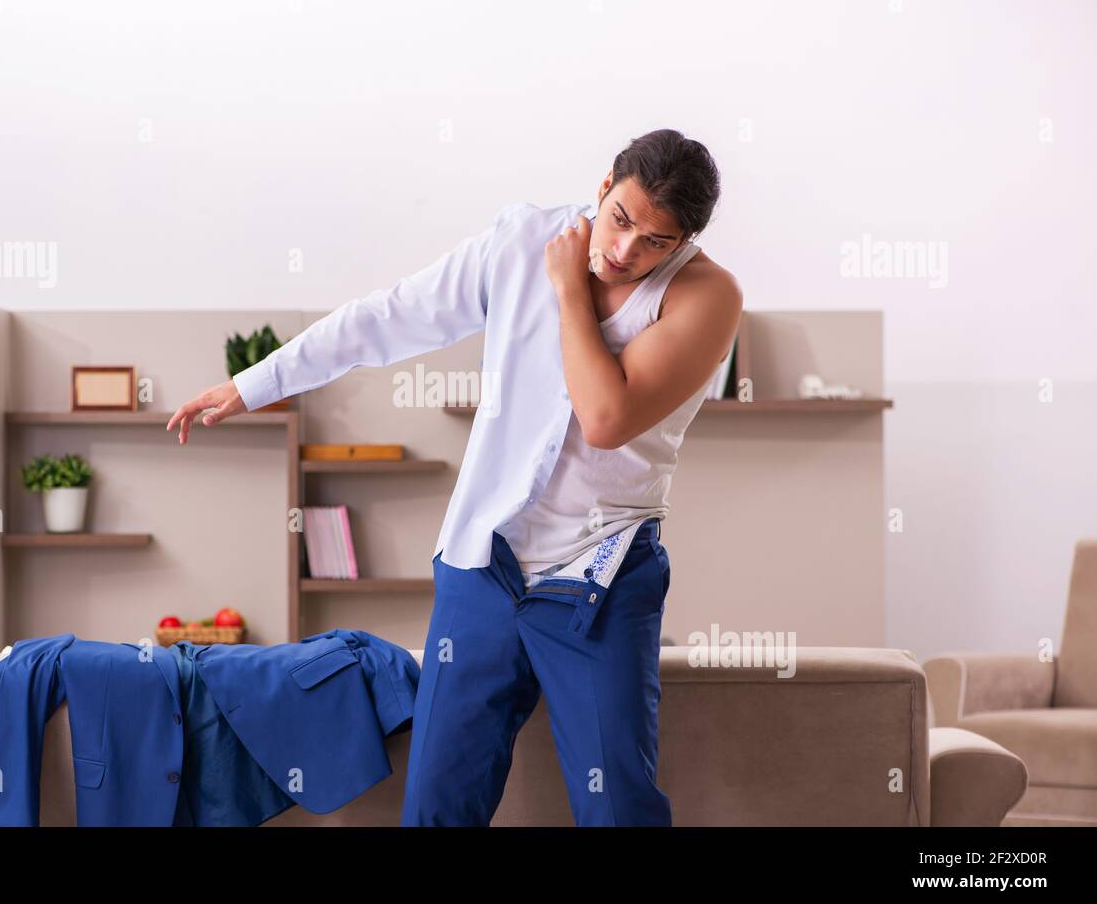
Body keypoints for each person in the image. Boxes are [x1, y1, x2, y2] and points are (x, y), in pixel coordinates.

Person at [167, 128, 743, 825]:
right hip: (483, 566)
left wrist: (567, 288)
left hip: (601, 573)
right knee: (436, 807)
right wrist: (254, 383)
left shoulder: (705, 295)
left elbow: (604, 416)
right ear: (603, 187)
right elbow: (389, 316)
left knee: (617, 808)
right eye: (619, 219)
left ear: (684, 243)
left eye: (655, 241)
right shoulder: (521, 240)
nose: (624, 251)